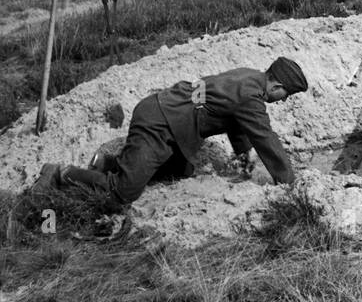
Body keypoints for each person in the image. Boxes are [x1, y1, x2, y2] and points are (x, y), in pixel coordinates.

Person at [34, 58, 308, 209]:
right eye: (286, 94)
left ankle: (109, 164)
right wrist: (289, 183)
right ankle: (60, 173)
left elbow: (236, 120)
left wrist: (242, 151)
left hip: (174, 121)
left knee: (183, 170)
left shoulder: (249, 76)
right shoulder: (250, 95)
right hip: (161, 121)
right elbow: (266, 137)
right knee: (122, 194)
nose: (283, 100)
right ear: (277, 85)